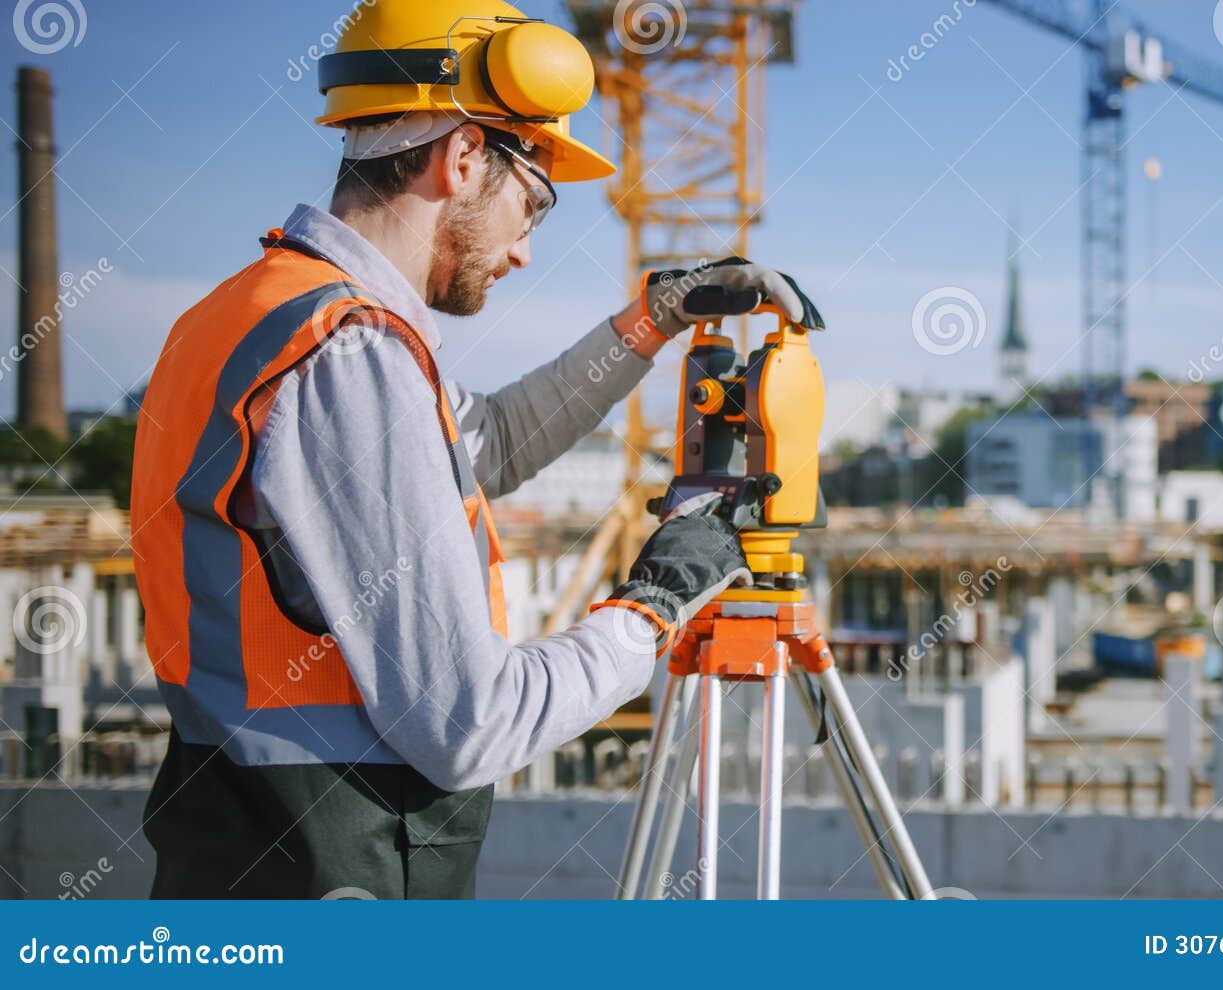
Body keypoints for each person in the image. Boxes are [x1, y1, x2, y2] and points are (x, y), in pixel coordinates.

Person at [128, 0, 820, 899]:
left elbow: (480, 445)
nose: (525, 252)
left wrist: (648, 322)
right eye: (533, 204)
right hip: (340, 856)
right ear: (462, 158)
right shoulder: (350, 353)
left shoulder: (258, 311)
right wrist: (656, 605)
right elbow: (468, 723)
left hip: (243, 828)